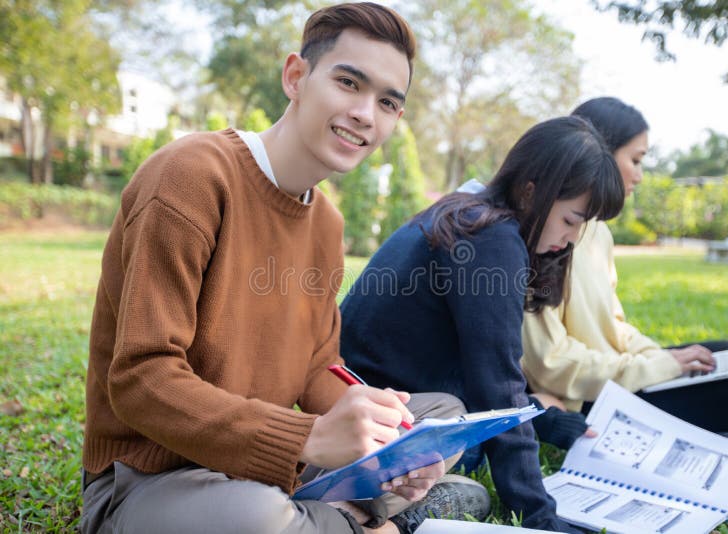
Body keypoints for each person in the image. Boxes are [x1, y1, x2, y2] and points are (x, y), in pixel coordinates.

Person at [79, 4, 490, 534]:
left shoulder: (327, 223)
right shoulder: (190, 177)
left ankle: (346, 511)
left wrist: (384, 434)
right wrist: (308, 440)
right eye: (348, 82)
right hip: (156, 477)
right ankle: (363, 519)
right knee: (256, 518)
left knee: (440, 417)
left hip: (267, 465)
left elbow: (318, 368)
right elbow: (140, 380)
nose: (366, 113)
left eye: (387, 102)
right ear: (296, 76)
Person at [340, 116, 626, 532]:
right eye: (570, 219)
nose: (572, 238)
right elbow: (496, 388)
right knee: (469, 454)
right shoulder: (491, 241)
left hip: (369, 402)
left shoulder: (466, 213)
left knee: (501, 421)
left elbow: (480, 368)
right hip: (383, 428)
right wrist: (539, 518)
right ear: (531, 192)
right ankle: (396, 510)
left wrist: (542, 421)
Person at [520, 96, 728, 466]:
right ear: (595, 153)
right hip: (586, 394)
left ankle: (702, 439)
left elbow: (614, 326)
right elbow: (550, 363)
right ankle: (696, 445)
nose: (639, 175)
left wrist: (661, 357)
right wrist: (656, 368)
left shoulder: (596, 232)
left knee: (725, 355)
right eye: (635, 160)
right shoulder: (546, 233)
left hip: (620, 372)